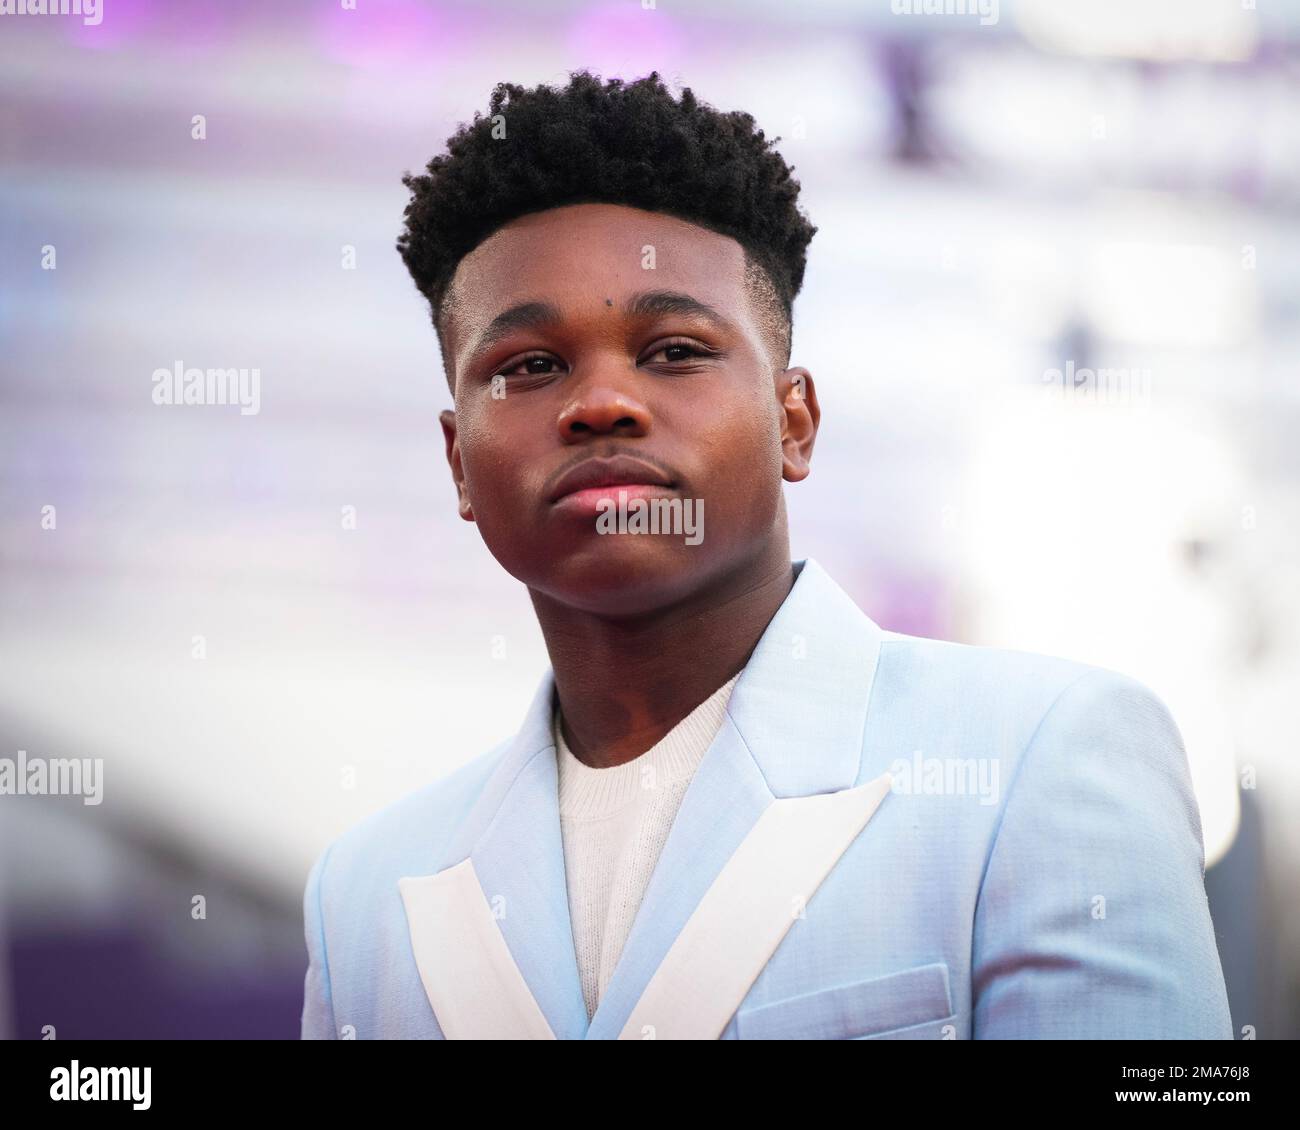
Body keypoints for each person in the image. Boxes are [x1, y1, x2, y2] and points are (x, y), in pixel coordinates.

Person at [301, 70, 1231, 1040]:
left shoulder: (1043, 754)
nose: (601, 403)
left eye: (673, 350)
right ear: (458, 461)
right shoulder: (369, 889)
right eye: (530, 366)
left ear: (793, 421)